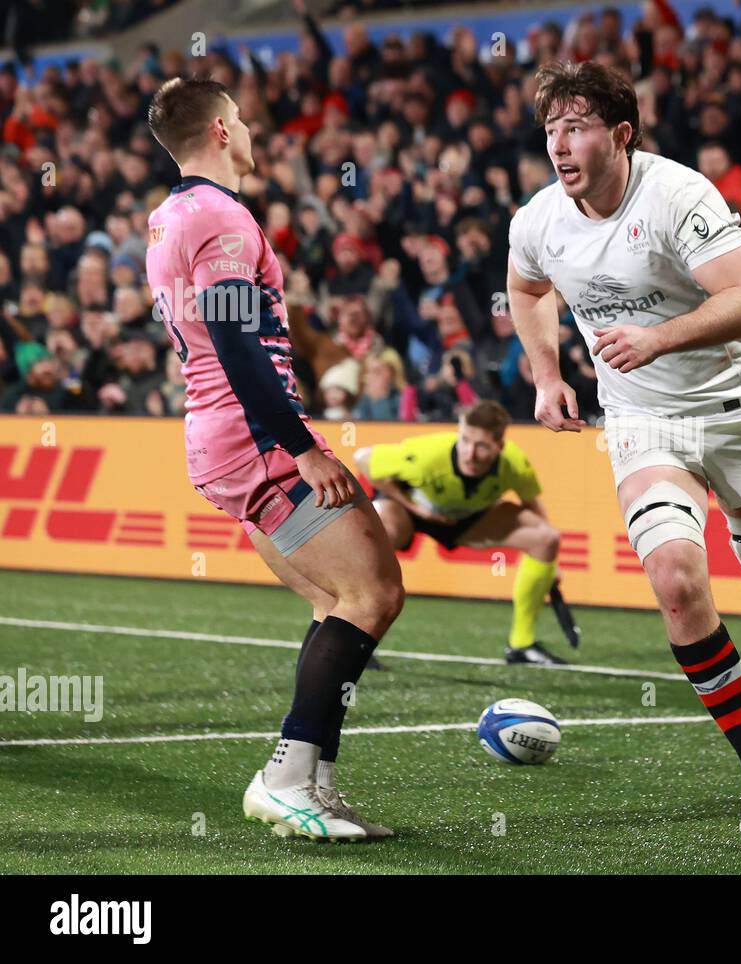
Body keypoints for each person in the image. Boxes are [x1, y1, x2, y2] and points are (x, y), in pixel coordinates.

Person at [506, 61, 741, 838]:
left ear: (620, 134)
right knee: (675, 579)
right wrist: (547, 374)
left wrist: (656, 337)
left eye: (578, 126)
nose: (560, 144)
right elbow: (527, 289)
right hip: (642, 421)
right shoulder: (537, 220)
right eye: (552, 129)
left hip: (737, 413)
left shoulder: (676, 195)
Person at [146, 77, 404, 841]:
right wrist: (299, 446)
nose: (253, 131)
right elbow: (232, 337)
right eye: (244, 120)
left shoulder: (168, 216)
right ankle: (286, 778)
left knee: (335, 600)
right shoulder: (222, 214)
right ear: (221, 130)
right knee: (373, 592)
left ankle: (313, 785)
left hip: (220, 434)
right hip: (254, 438)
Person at [355, 400, 580, 665]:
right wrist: (414, 507)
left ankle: (521, 646)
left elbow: (532, 505)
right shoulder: (427, 455)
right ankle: (358, 639)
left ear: (499, 446)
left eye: (482, 446)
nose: (469, 454)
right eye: (465, 441)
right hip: (411, 514)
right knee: (381, 531)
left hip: (467, 520)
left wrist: (551, 563)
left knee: (545, 538)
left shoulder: (514, 465)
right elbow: (363, 460)